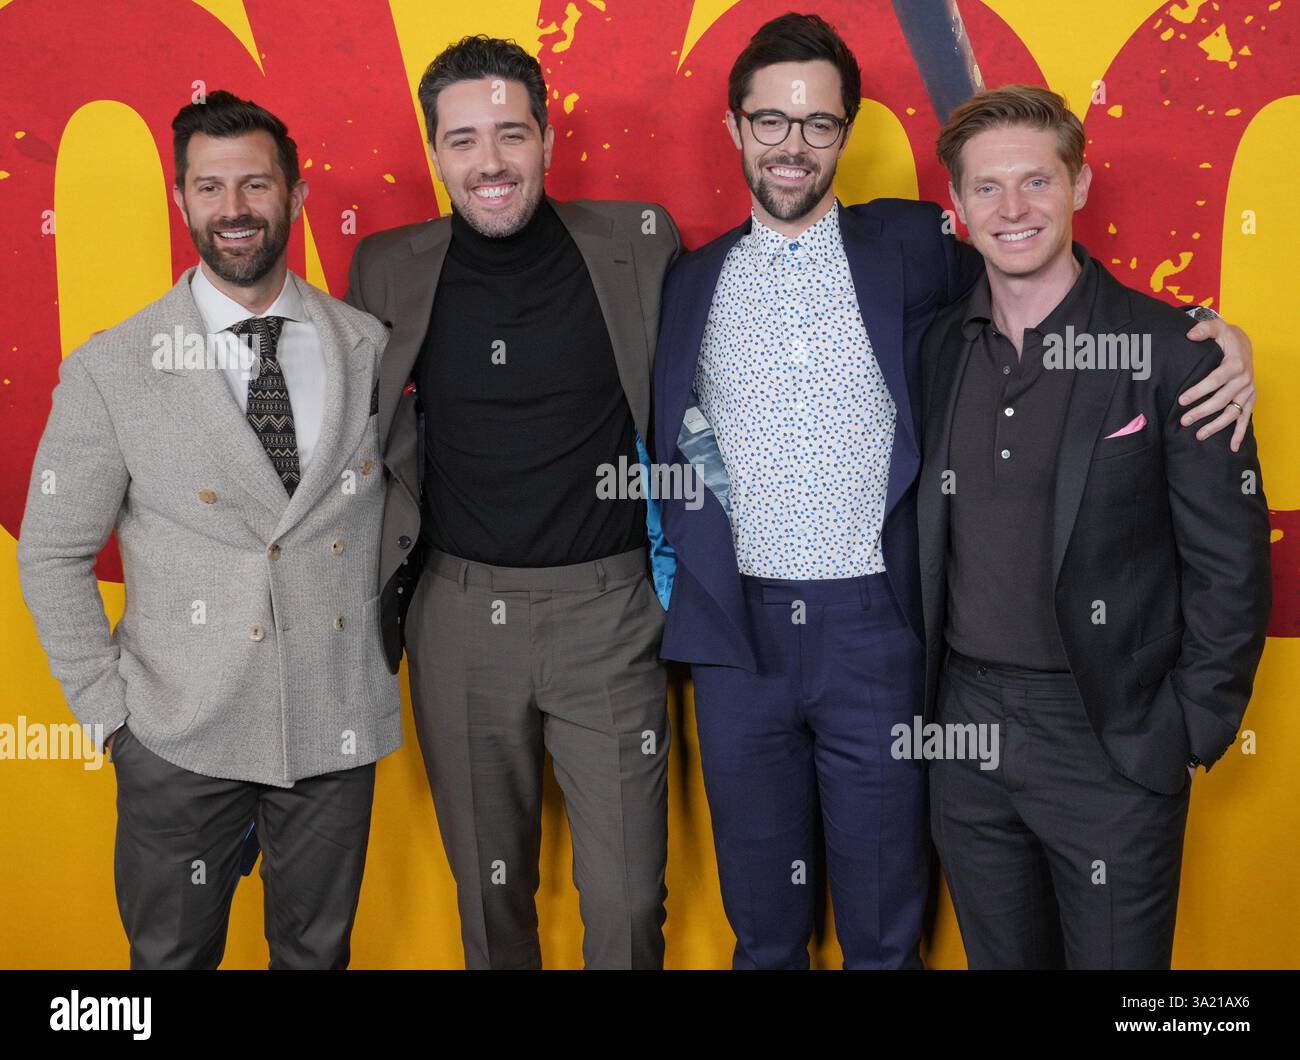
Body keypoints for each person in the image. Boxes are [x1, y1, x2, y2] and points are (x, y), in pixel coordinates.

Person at [651, 12, 1258, 969]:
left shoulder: (912, 248)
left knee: (889, 932)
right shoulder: (686, 278)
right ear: (735, 129)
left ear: (846, 132)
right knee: (764, 926)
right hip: (744, 638)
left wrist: (1209, 334)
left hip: (881, 634)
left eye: (818, 122)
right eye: (770, 121)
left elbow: (1049, 274)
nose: (793, 144)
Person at [17, 91, 398, 968]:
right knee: (169, 964)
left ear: (296, 198)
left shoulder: (368, 347)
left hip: (334, 723)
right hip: (177, 733)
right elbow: (52, 550)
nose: (234, 209)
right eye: (210, 187)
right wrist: (110, 719)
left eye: (256, 185)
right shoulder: (114, 368)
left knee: (316, 957)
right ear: (182, 202)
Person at [344, 35, 681, 969]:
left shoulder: (638, 246)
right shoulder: (386, 269)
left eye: (509, 134)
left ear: (546, 136)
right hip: (456, 617)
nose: (489, 162)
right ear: (434, 152)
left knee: (625, 907)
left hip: (610, 614)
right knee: (492, 906)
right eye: (462, 141)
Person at [918, 84, 1270, 968]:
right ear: (955, 207)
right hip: (965, 728)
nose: (1013, 210)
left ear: (1079, 186)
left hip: (1111, 734)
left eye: (1036, 182)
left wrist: (1189, 732)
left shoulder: (1174, 354)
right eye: (987, 189)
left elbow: (1231, 563)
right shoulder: (934, 348)